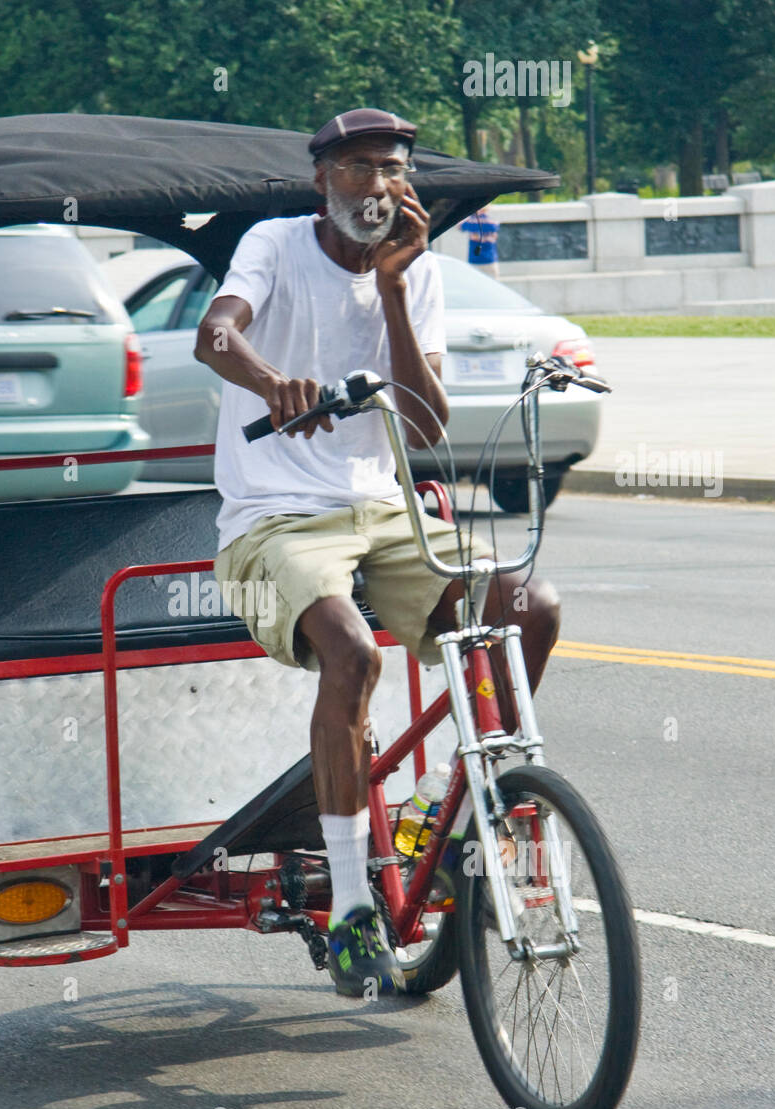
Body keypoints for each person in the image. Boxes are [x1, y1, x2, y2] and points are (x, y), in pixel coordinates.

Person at [196, 108, 559, 998]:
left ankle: (441, 806)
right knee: (352, 652)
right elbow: (216, 333)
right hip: (274, 517)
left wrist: (395, 291)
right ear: (321, 179)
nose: (376, 186)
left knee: (528, 608)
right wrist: (268, 378)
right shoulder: (276, 245)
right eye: (357, 169)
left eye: (391, 170)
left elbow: (428, 425)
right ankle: (354, 902)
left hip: (384, 508)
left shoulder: (418, 271)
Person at [461, 205, 500, 277]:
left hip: (475, 260)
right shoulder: (492, 221)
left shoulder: (472, 221)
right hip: (490, 259)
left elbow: (461, 226)